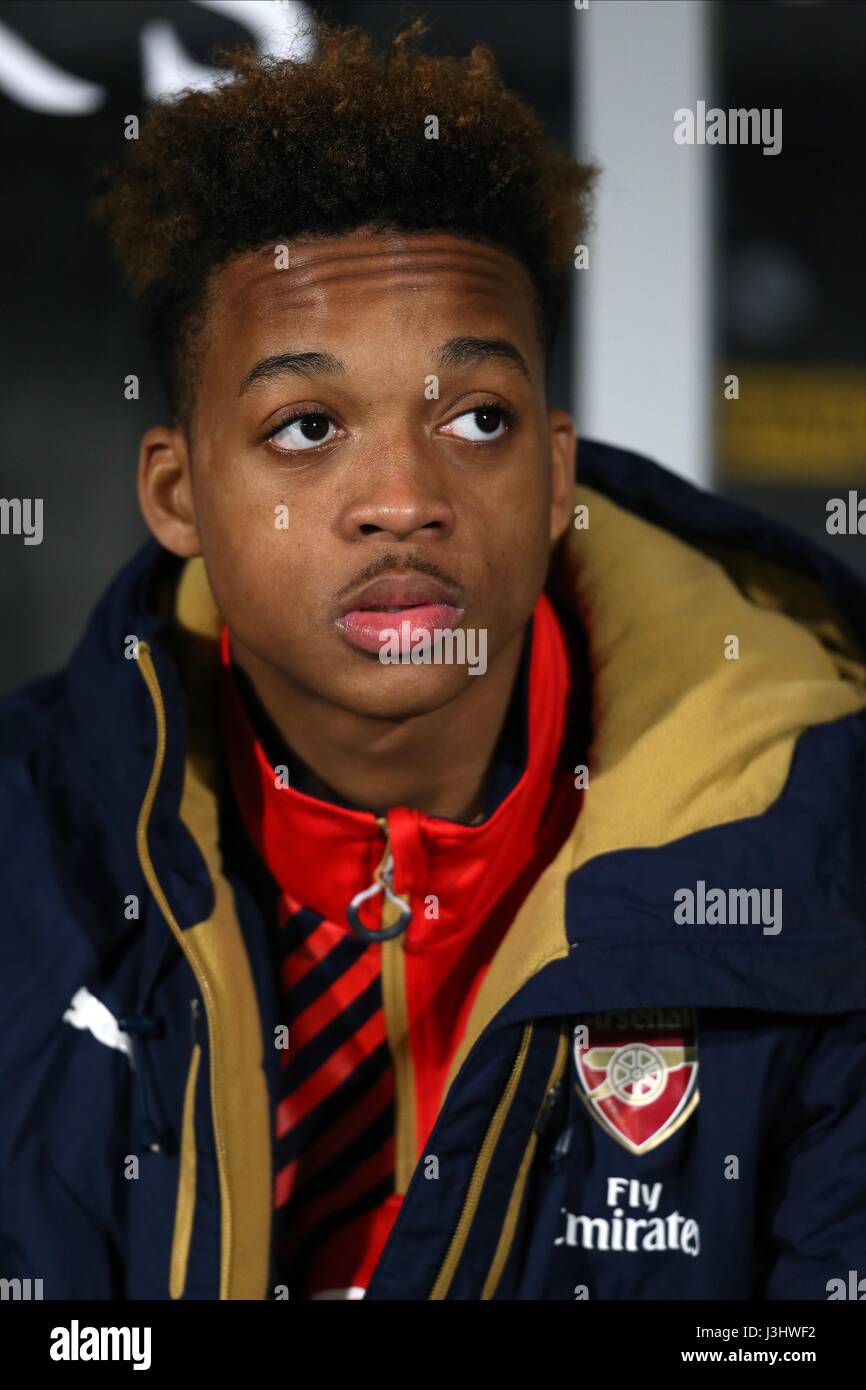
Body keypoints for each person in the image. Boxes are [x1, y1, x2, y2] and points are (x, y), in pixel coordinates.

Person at [2, 17, 865, 1302]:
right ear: (178, 496)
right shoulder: (25, 845)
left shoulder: (824, 844)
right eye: (304, 426)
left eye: (476, 417)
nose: (401, 497)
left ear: (555, 471)